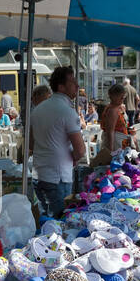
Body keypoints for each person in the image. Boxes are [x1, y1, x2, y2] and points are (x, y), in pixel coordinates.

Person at [29, 66, 85, 218]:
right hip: (58, 177)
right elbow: (80, 150)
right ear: (61, 86)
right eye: (73, 82)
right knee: (60, 223)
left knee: (43, 222)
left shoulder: (37, 110)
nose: (77, 86)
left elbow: (30, 145)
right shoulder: (67, 112)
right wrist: (72, 158)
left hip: (39, 173)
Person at [99, 83, 130, 153]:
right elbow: (110, 131)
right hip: (115, 144)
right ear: (113, 96)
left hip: (120, 142)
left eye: (123, 97)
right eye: (120, 97)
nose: (122, 99)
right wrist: (111, 150)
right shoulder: (112, 110)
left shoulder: (116, 108)